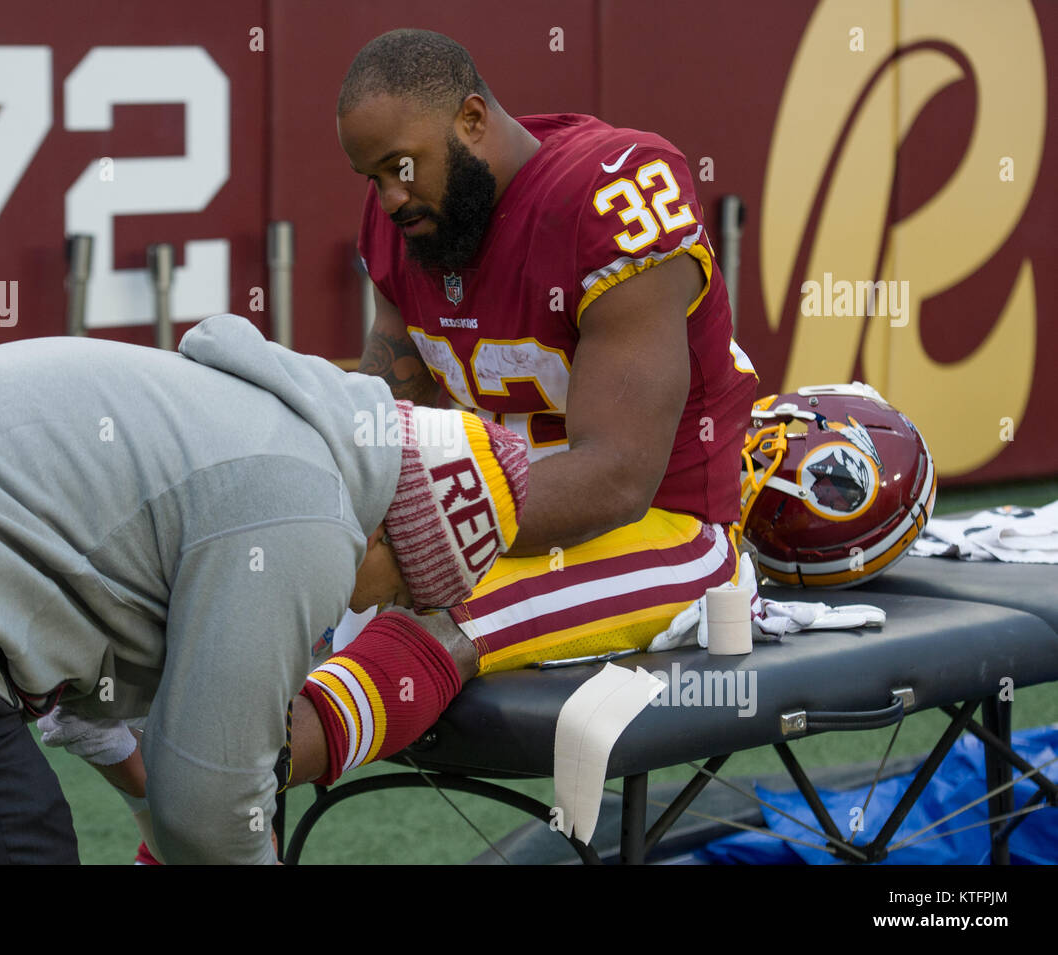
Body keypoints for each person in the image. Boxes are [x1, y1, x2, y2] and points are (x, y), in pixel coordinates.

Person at [0, 312, 527, 864]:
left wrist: (146, 794)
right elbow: (207, 813)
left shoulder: (258, 424)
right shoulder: (314, 511)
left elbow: (76, 675)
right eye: (399, 587)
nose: (367, 606)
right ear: (397, 532)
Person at [283, 28, 760, 790]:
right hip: (486, 516)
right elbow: (381, 413)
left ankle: (225, 786)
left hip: (666, 529)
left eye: (400, 167)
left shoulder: (613, 192)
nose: (389, 196)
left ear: (472, 119)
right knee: (272, 589)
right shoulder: (406, 220)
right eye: (371, 177)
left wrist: (410, 544)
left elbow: (619, 476)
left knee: (434, 622)